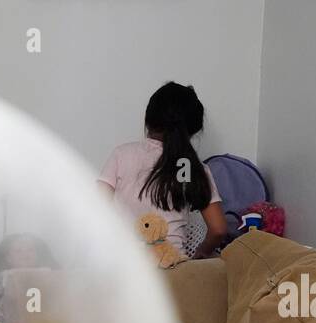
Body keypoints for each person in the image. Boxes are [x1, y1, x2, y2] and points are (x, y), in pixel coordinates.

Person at [98, 82, 229, 259]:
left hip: (125, 268)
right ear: (191, 130)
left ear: (148, 119)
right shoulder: (193, 168)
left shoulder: (121, 154)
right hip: (172, 271)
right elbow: (218, 230)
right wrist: (203, 251)